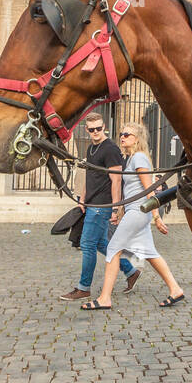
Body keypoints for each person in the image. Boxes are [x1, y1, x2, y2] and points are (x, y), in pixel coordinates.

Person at [82, 123, 185, 310]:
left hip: (140, 211)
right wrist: (120, 211)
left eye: (127, 134)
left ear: (136, 139)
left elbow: (149, 190)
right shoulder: (129, 159)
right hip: (134, 211)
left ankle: (105, 298)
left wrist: (156, 216)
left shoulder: (139, 158)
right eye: (121, 134)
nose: (122, 137)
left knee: (113, 248)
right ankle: (175, 289)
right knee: (149, 252)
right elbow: (130, 190)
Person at [60, 113, 139, 302]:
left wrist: (115, 208)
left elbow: (116, 179)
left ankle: (84, 288)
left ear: (104, 127)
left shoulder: (110, 149)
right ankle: (131, 271)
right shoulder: (91, 149)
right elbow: (89, 175)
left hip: (102, 205)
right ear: (87, 130)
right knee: (102, 244)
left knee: (87, 244)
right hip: (92, 203)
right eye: (92, 129)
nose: (96, 132)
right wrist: (82, 199)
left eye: (99, 128)